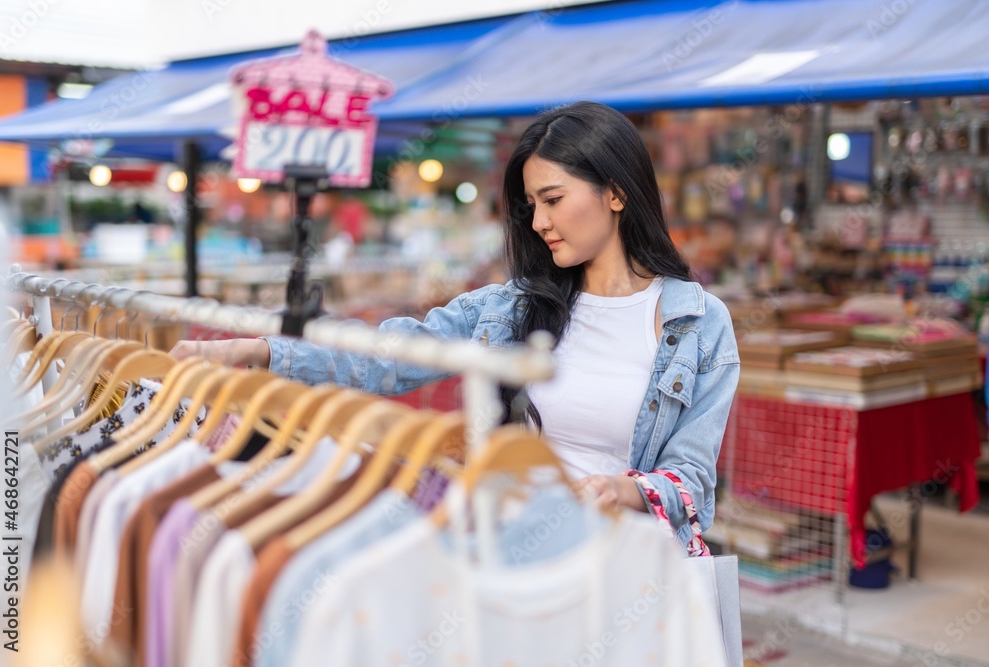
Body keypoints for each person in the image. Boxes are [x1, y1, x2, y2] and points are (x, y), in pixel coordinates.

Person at [169, 101, 740, 552]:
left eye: (553, 199)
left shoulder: (696, 324)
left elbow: (692, 480)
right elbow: (389, 355)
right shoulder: (510, 307)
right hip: (526, 547)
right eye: (530, 205)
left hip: (632, 567)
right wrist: (266, 352)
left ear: (615, 192)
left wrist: (625, 489)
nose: (538, 221)